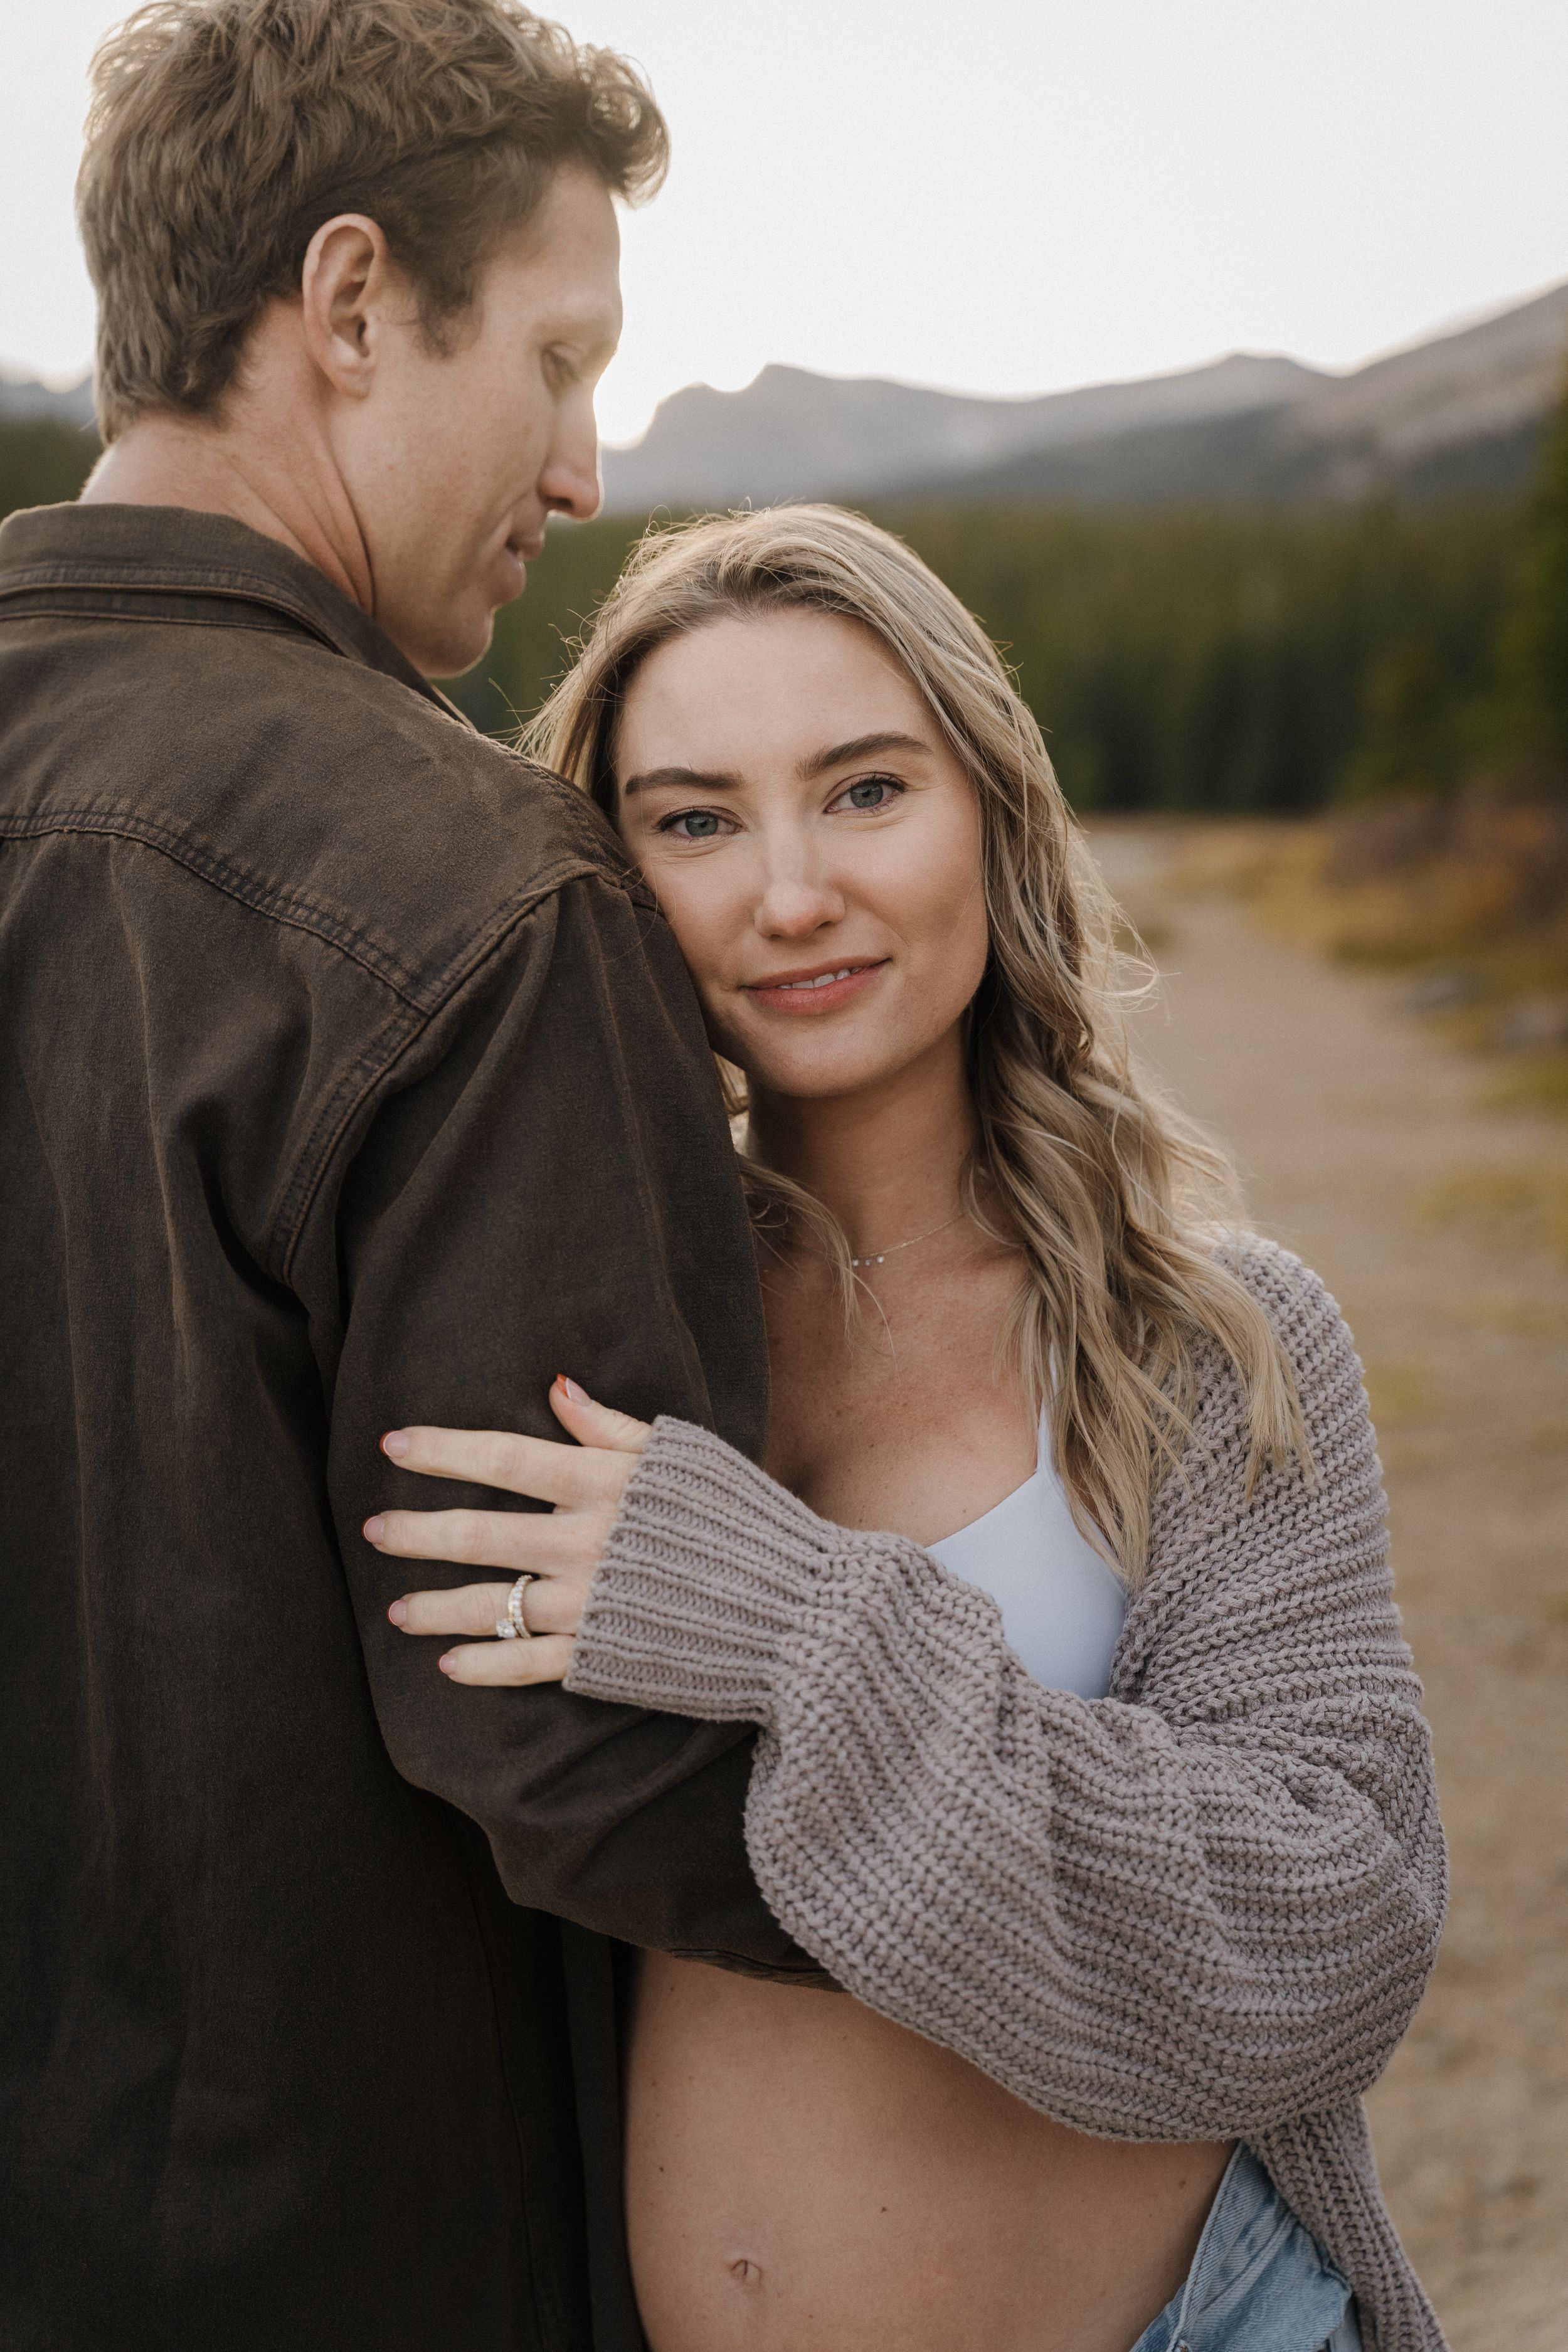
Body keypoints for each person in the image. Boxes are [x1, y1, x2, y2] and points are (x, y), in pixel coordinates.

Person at [371, 506, 1450, 2352]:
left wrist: (804, 1621)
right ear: (606, 879)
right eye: (694, 820)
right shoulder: (568, 1332)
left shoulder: (1200, 1339)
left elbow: (1327, 1937)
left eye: (865, 791)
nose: (791, 894)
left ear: (992, 813)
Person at [0, 8, 827, 2348]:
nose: (583, 468)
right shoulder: (478, 900)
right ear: (352, 304)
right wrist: (1126, 1845)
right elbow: (597, 1749)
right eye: (561, 361)